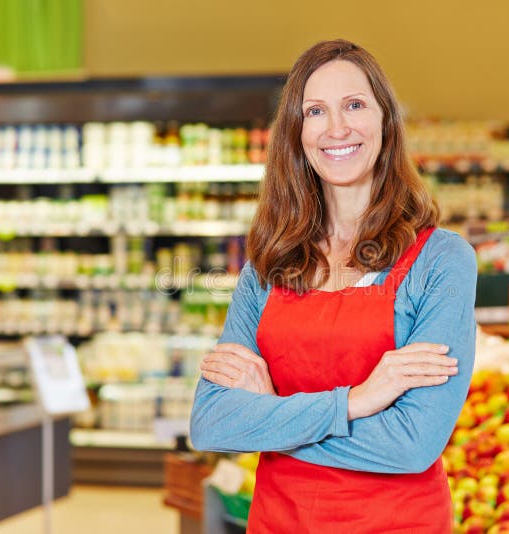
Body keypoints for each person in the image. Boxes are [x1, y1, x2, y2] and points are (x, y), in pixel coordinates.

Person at [190, 39, 477, 533]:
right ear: (296, 133)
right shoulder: (268, 265)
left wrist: (272, 414)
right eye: (315, 111)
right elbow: (212, 423)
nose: (337, 128)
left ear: (386, 122)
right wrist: (355, 402)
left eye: (355, 105)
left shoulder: (440, 261)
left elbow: (412, 443)